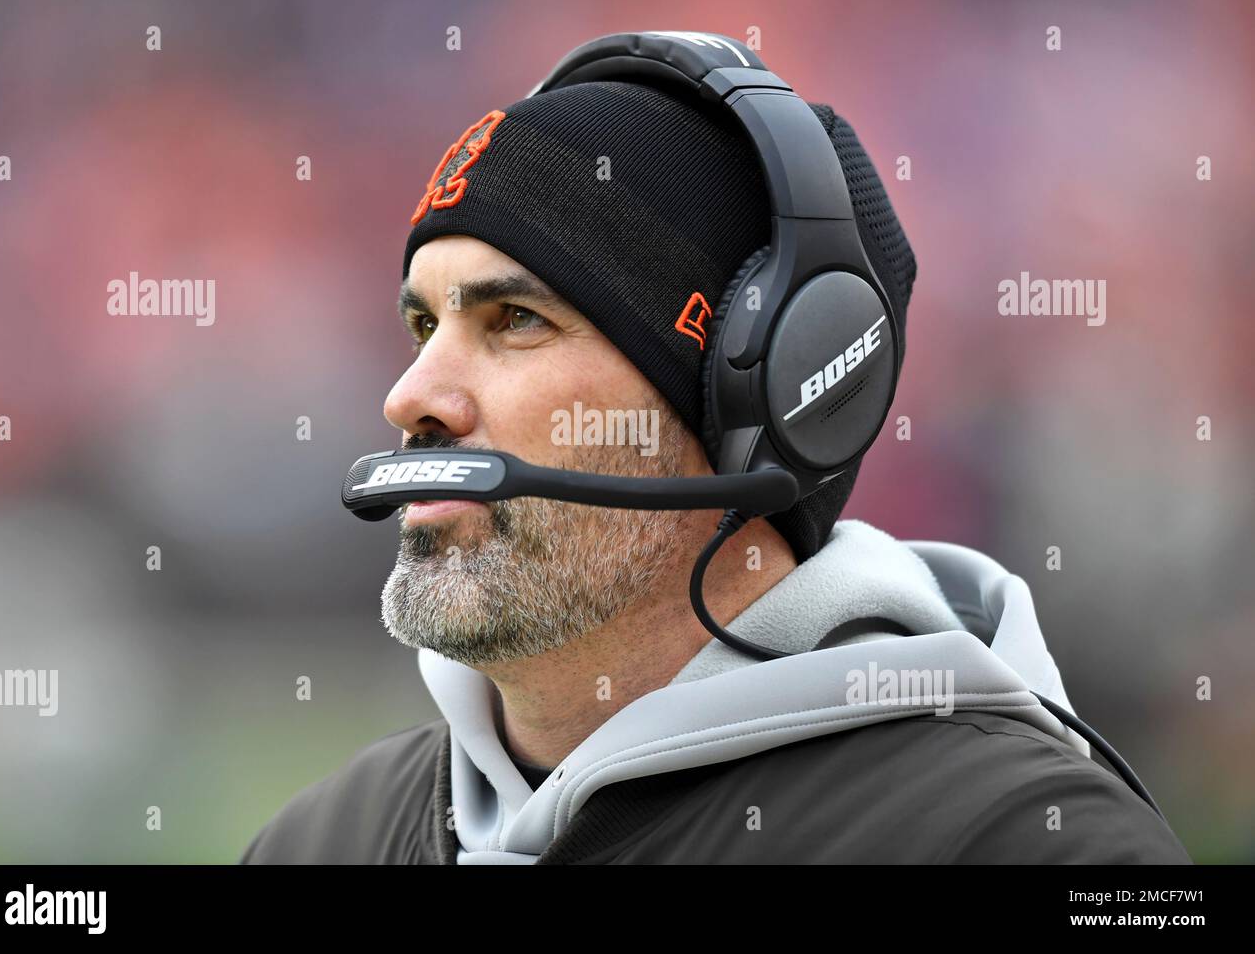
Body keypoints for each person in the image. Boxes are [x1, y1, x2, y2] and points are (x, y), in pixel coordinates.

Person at [241, 58, 1191, 864]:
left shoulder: (1016, 840)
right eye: (423, 323)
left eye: (515, 321)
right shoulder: (326, 840)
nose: (409, 395)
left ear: (763, 399)